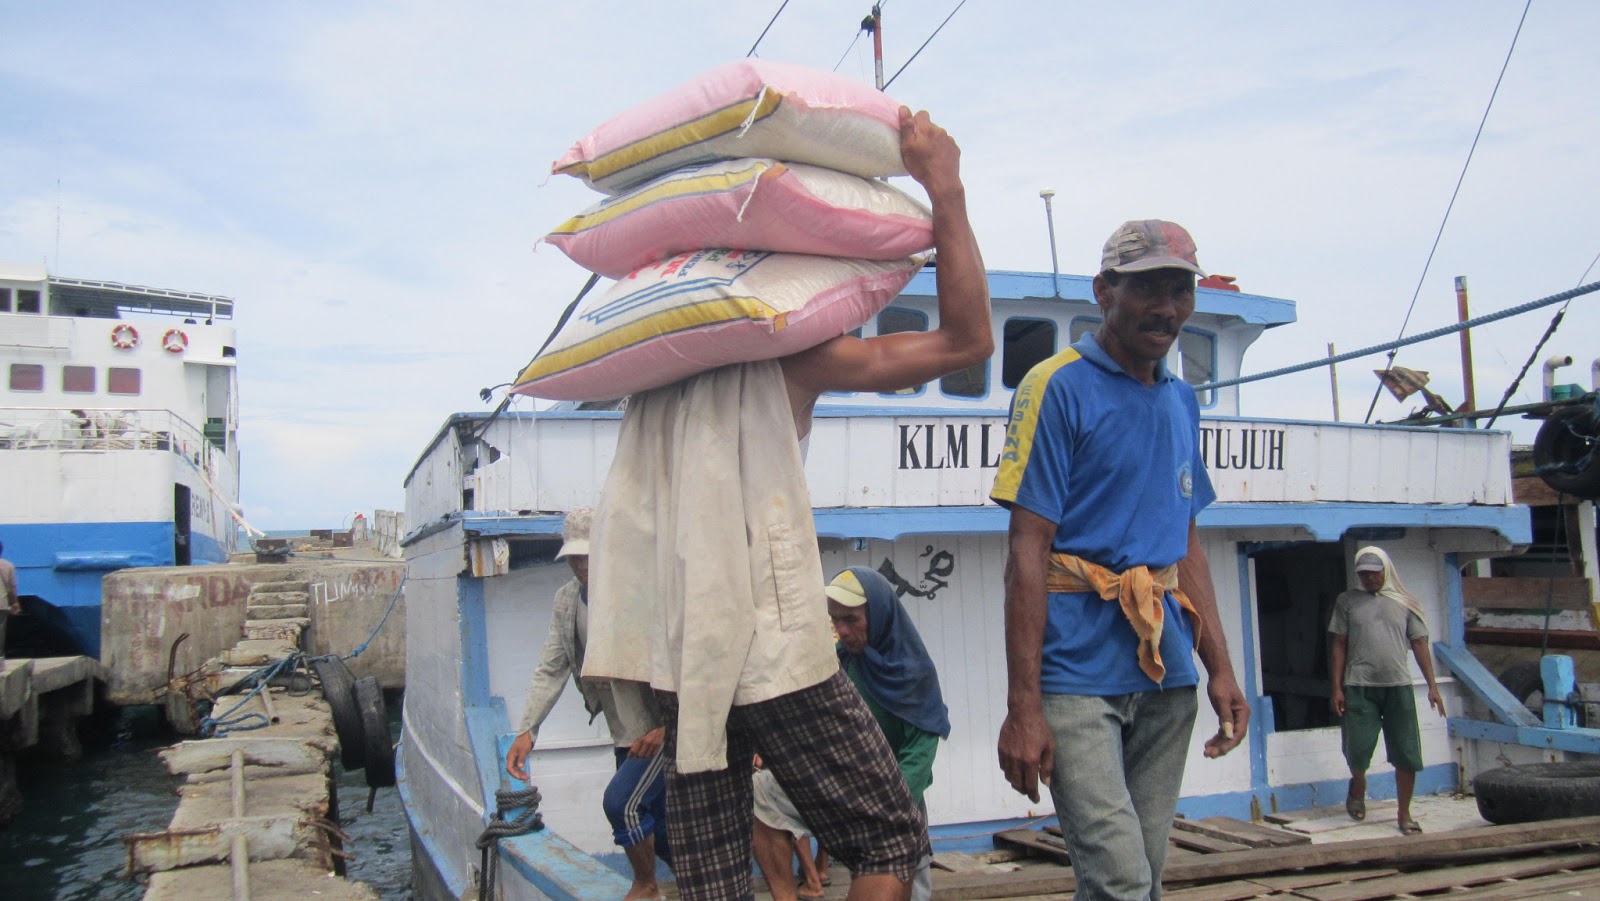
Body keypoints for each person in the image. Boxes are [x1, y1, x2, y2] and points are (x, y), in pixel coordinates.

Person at [584, 105, 990, 901]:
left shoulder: (649, 367)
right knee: (887, 834)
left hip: (677, 646)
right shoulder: (796, 355)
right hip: (769, 641)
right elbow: (967, 342)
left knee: (709, 867)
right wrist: (945, 188)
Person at [993, 220, 1250, 901]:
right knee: (1121, 880)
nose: (1167, 308)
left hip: (1166, 679)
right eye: (1148, 289)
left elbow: (1185, 543)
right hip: (1075, 678)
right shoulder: (1056, 385)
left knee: (1139, 877)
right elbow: (1027, 551)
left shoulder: (1181, 399)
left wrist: (1220, 665)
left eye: (1180, 289)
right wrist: (1024, 707)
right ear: (1104, 291)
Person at [752, 567, 951, 901]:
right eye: (835, 621)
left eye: (851, 620)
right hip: (843, 788)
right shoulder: (840, 665)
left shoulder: (913, 674)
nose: (842, 631)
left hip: (896, 797)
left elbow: (919, 754)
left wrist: (892, 808)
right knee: (762, 791)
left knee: (908, 878)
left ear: (878, 613)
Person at [503, 508, 670, 901]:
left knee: (621, 803)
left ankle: (646, 887)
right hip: (623, 731)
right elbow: (551, 667)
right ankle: (706, 887)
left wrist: (668, 726)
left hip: (661, 730)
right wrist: (528, 729)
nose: (581, 565)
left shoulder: (643, 594)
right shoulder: (567, 601)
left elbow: (680, 661)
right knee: (660, 829)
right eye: (575, 557)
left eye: (590, 556)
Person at [1329, 546, 1445, 835]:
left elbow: (1419, 643)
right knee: (1357, 747)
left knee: (1407, 752)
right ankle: (1358, 783)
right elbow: (1339, 644)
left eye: (1375, 572)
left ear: (1386, 570)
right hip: (1359, 685)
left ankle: (1404, 814)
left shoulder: (1405, 602)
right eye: (1364, 574)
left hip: (1398, 686)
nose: (1370, 578)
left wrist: (1433, 686)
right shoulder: (1347, 602)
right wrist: (1336, 687)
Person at [0, 539, 17, 665]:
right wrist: (14, 602)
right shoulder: (8, 565)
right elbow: (12, 588)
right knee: (1, 631)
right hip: (2, 604)